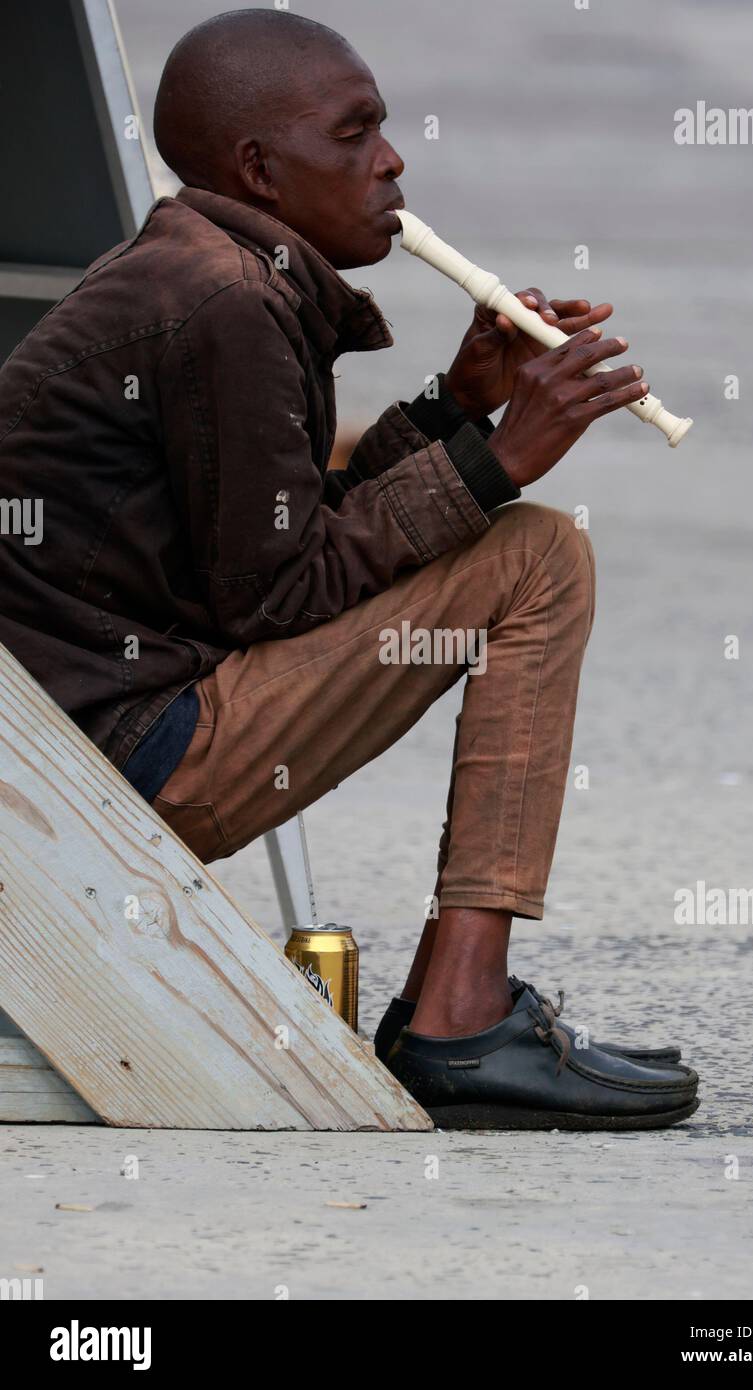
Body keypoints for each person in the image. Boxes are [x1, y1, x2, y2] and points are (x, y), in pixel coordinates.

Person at [0, 8, 699, 1130]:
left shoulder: (200, 270)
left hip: (99, 739)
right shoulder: (220, 304)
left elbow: (273, 536)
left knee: (519, 542)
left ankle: (452, 1002)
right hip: (119, 769)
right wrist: (497, 457)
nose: (390, 161)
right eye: (354, 133)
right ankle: (460, 1017)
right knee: (538, 557)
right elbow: (277, 596)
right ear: (259, 169)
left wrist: (456, 405)